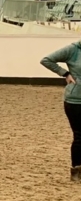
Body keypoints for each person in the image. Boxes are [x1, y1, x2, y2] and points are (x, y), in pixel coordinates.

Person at [41, 40, 81, 181]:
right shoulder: (73, 49)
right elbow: (47, 60)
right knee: (79, 135)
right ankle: (76, 169)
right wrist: (65, 73)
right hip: (75, 100)